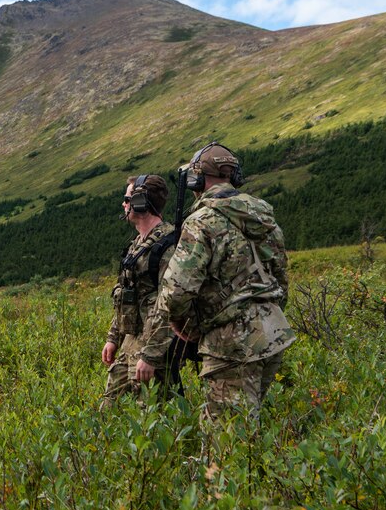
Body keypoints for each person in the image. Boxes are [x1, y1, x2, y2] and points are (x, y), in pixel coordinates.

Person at [136, 142, 294, 421]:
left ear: (196, 179)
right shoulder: (262, 215)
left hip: (231, 344)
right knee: (249, 425)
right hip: (274, 332)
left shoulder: (202, 221)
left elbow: (175, 292)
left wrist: (182, 325)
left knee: (226, 436)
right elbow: (280, 275)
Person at [101, 174, 177, 405]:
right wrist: (114, 338)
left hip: (154, 343)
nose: (123, 204)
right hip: (131, 341)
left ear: (141, 202)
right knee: (109, 408)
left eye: (127, 199)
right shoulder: (137, 245)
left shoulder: (168, 245)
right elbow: (126, 294)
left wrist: (151, 355)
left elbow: (172, 303)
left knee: (151, 411)